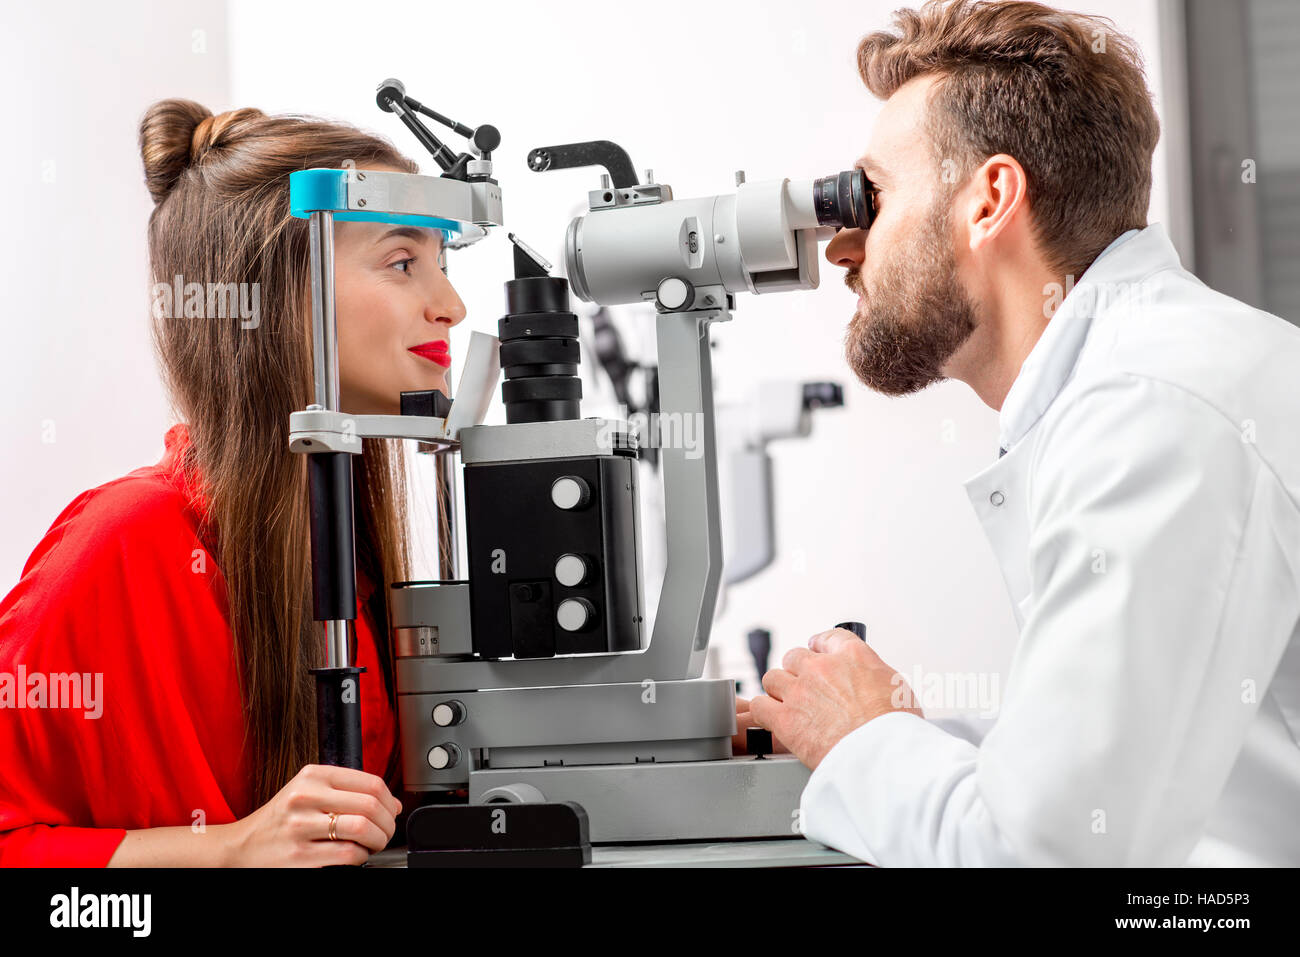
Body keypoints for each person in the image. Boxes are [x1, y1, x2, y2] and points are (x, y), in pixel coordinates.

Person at [745, 0, 1300, 865]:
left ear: (990, 199)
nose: (842, 246)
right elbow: (1130, 771)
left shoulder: (1155, 409)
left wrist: (866, 741)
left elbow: (1048, 855)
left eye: (870, 197)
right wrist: (875, 732)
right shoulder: (1144, 379)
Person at [0, 99, 467, 866]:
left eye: (443, 263)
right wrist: (228, 849)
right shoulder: (126, 541)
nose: (451, 307)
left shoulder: (348, 540)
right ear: (279, 292)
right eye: (402, 260)